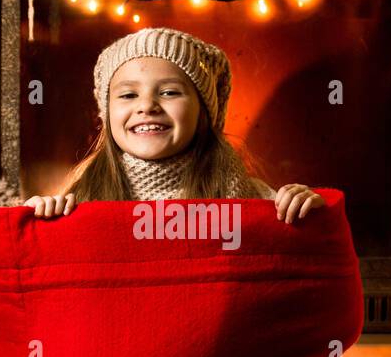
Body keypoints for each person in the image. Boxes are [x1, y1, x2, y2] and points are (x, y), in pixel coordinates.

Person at [23, 27, 325, 223]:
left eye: (169, 92)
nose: (146, 106)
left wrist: (301, 205)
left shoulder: (247, 194)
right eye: (128, 95)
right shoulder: (84, 195)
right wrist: (41, 216)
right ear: (106, 113)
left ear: (203, 111)